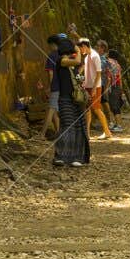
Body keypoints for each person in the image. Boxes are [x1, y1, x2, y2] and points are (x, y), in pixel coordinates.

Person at [51, 35, 90, 167]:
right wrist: (78, 51)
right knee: (67, 126)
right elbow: (78, 61)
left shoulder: (71, 64)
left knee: (78, 127)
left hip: (76, 100)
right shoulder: (61, 60)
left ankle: (76, 157)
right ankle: (61, 156)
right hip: (65, 99)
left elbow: (78, 76)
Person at [80, 37, 111, 141]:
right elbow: (86, 71)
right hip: (87, 86)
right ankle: (87, 134)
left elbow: (98, 73)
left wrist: (93, 88)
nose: (80, 51)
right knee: (87, 110)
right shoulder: (86, 57)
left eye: (80, 48)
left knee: (97, 109)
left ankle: (107, 132)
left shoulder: (94, 56)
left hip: (95, 87)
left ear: (84, 46)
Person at [103, 45, 126, 133]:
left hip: (112, 87)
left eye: (108, 53)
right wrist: (121, 89)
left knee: (114, 106)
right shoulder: (117, 64)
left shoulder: (108, 63)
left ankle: (119, 125)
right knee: (115, 106)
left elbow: (109, 77)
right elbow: (120, 77)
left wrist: (106, 88)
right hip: (117, 86)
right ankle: (117, 124)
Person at [43, 40, 61, 137]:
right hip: (63, 86)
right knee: (54, 110)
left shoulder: (52, 56)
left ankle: (41, 134)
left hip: (55, 86)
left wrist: (50, 87)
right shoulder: (63, 55)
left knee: (50, 109)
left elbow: (50, 73)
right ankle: (58, 131)